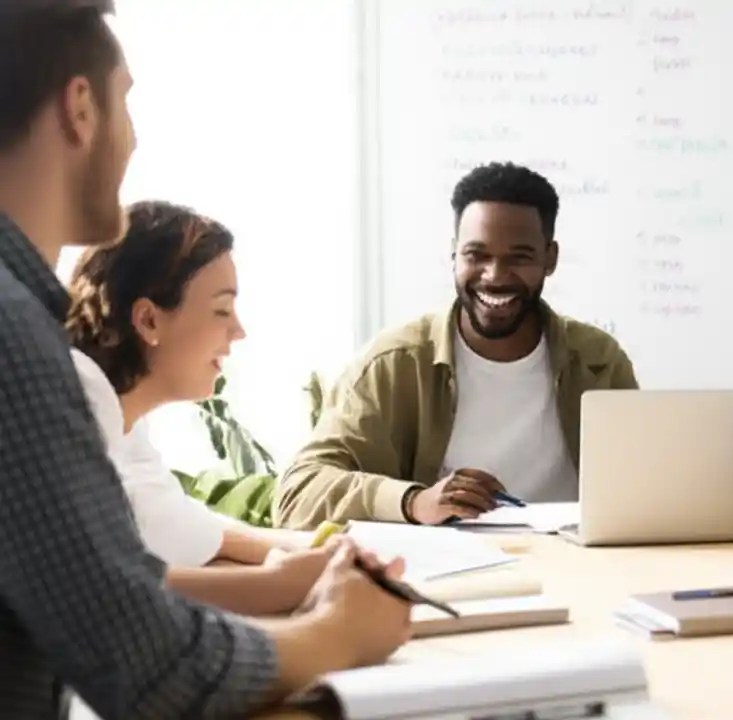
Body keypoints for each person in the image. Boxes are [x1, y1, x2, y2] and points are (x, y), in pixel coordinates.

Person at [0, 4, 409, 717]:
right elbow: (144, 664)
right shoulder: (15, 340)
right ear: (80, 107)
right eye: (127, 102)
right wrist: (336, 633)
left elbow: (115, 585)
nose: (134, 139)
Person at [275, 162, 638, 529]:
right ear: (454, 255)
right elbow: (297, 495)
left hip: (575, 571)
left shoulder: (598, 361)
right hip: (443, 575)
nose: (495, 276)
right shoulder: (393, 364)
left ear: (550, 258)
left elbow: (642, 489)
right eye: (476, 255)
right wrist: (413, 502)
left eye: (519, 257)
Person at [65, 199, 331, 616]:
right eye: (221, 309)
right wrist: (280, 582)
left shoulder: (119, 415)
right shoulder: (75, 396)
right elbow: (102, 582)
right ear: (149, 320)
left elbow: (173, 524)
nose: (238, 330)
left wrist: (303, 551)